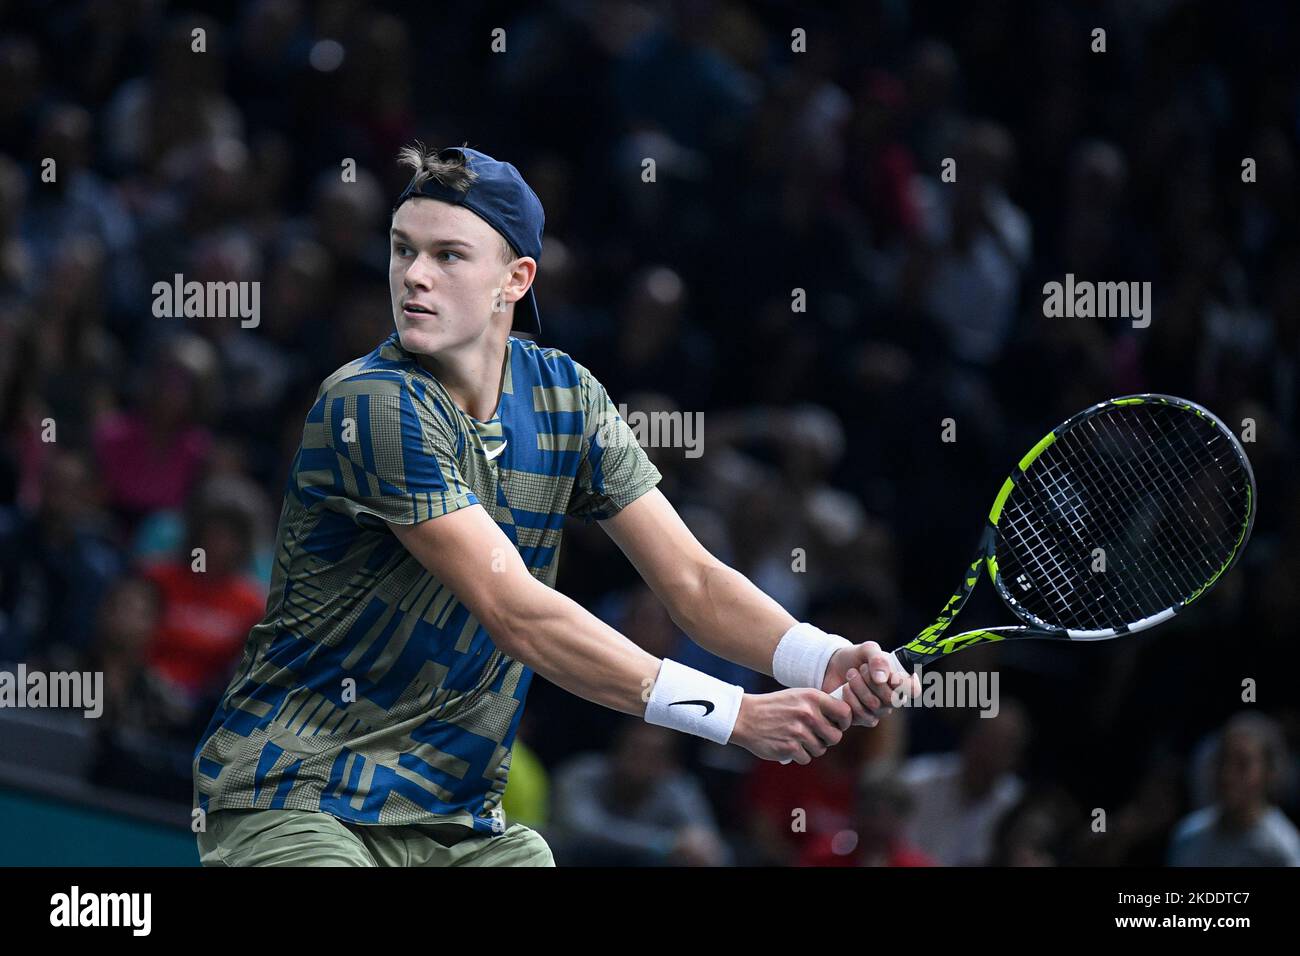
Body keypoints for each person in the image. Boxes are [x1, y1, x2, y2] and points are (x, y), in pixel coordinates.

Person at [192, 143, 919, 867]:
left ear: (516, 279)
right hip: (293, 795)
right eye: (402, 250)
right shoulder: (372, 403)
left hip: (455, 827)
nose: (414, 275)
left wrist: (818, 656)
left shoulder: (565, 397)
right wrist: (734, 715)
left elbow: (692, 583)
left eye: (449, 255)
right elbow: (519, 613)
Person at [1168, 713, 1300, 867]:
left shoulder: (1282, 850)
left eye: (1242, 765)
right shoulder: (1189, 836)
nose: (1227, 775)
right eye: (1223, 760)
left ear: (1269, 773)